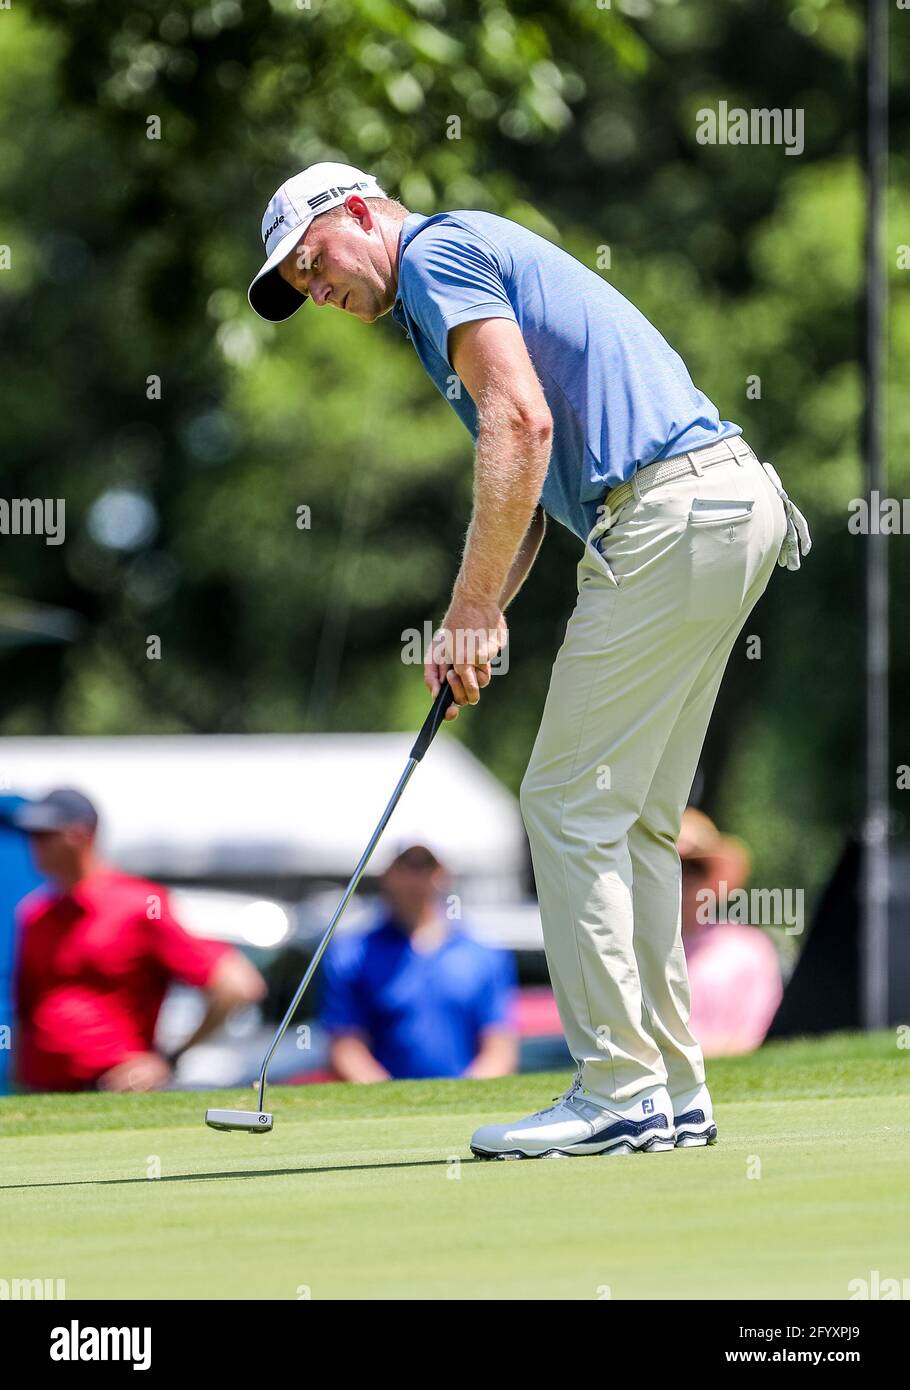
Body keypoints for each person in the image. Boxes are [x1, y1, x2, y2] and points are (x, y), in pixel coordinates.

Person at [246, 161, 811, 1157]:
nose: (311, 285)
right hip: (727, 509)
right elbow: (538, 483)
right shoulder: (443, 286)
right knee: (632, 820)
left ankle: (615, 1089)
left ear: (362, 211)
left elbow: (521, 423)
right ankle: (669, 1090)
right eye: (295, 283)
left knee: (563, 801)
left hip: (670, 512)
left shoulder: (434, 254)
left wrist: (468, 606)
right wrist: (480, 614)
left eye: (311, 258)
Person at [11, 788, 265, 1092]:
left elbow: (236, 986)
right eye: (31, 836)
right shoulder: (34, 914)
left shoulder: (140, 905)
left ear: (81, 835)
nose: (34, 845)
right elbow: (25, 1010)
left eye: (45, 835)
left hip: (111, 1088)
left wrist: (169, 1061)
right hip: (40, 1090)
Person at [320, 840, 517, 1082]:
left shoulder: (484, 955)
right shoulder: (351, 954)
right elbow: (345, 1047)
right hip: (382, 1109)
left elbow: (499, 1047)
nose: (415, 879)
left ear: (442, 873)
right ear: (387, 874)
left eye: (425, 867)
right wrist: (395, 1103)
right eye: (406, 867)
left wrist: (459, 1099)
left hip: (464, 1106)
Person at [678, 807, 783, 1056]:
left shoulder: (750, 949)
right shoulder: (630, 948)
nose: (681, 880)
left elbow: (755, 1035)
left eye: (693, 869)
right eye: (672, 867)